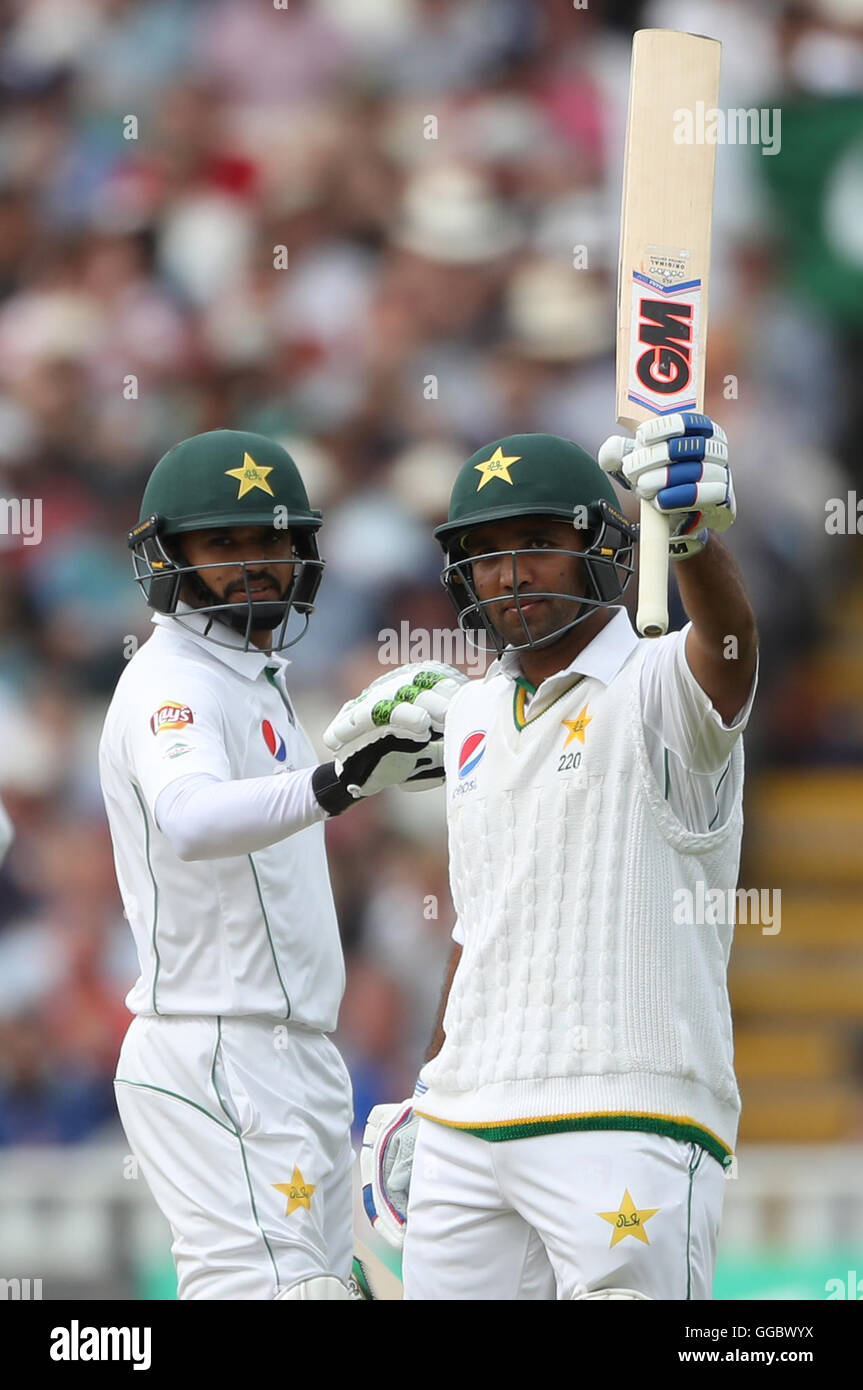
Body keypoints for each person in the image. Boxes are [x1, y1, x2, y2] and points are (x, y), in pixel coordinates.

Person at [353, 417, 758, 1300]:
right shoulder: (468, 716)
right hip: (468, 1117)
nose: (511, 571)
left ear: (605, 549)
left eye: (539, 542)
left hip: (627, 1109)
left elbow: (729, 655)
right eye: (486, 551)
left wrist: (688, 535)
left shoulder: (657, 684)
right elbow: (481, 918)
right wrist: (429, 1086)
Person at [98, 428, 464, 1300]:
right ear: (167, 558)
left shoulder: (256, 679)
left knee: (353, 1291)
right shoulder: (171, 680)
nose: (254, 563)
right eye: (224, 544)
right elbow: (187, 819)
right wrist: (338, 784)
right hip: (215, 1042)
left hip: (292, 1053)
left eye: (271, 540)